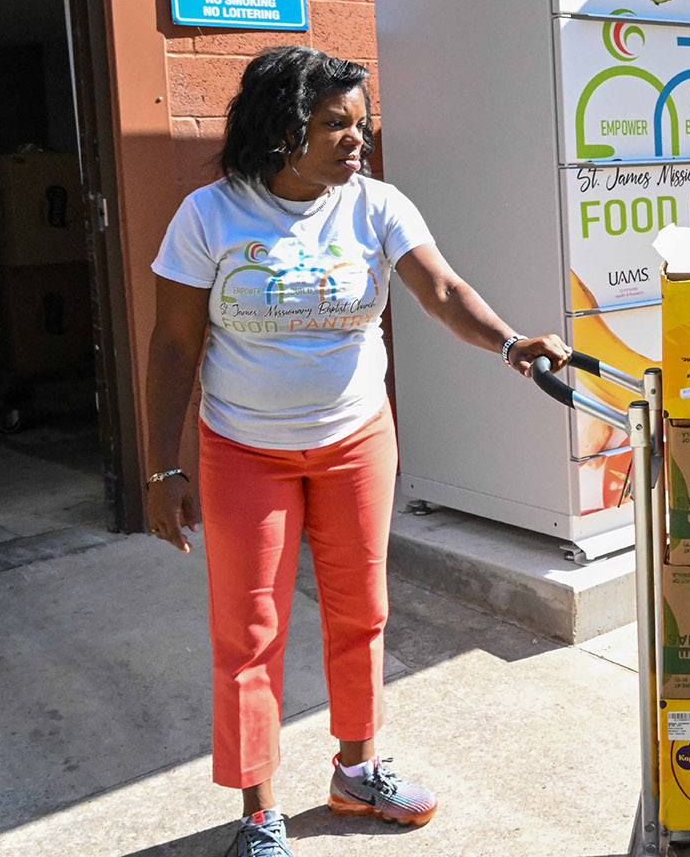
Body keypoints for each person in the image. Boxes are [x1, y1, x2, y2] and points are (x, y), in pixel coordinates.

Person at [143, 46, 570, 857]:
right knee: (249, 629)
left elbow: (441, 291)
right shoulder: (209, 216)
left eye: (361, 124)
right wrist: (164, 468)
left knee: (361, 612)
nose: (357, 140)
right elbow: (172, 345)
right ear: (281, 130)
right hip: (243, 450)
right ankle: (259, 811)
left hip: (355, 440)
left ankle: (356, 769)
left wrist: (513, 344)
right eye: (337, 124)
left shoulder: (376, 205)